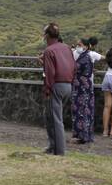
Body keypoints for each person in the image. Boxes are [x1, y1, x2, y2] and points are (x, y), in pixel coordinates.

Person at [40, 22, 76, 155]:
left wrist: (47, 89)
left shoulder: (49, 51)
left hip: (56, 86)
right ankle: (52, 147)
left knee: (55, 119)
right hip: (68, 85)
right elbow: (74, 67)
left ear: (47, 36)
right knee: (51, 117)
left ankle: (59, 151)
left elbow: (50, 72)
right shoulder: (67, 48)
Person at [70, 36, 102, 144]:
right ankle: (86, 134)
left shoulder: (83, 57)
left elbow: (75, 68)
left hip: (81, 86)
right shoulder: (87, 56)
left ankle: (82, 135)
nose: (78, 46)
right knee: (86, 109)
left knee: (81, 109)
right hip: (85, 85)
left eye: (80, 45)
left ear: (86, 46)